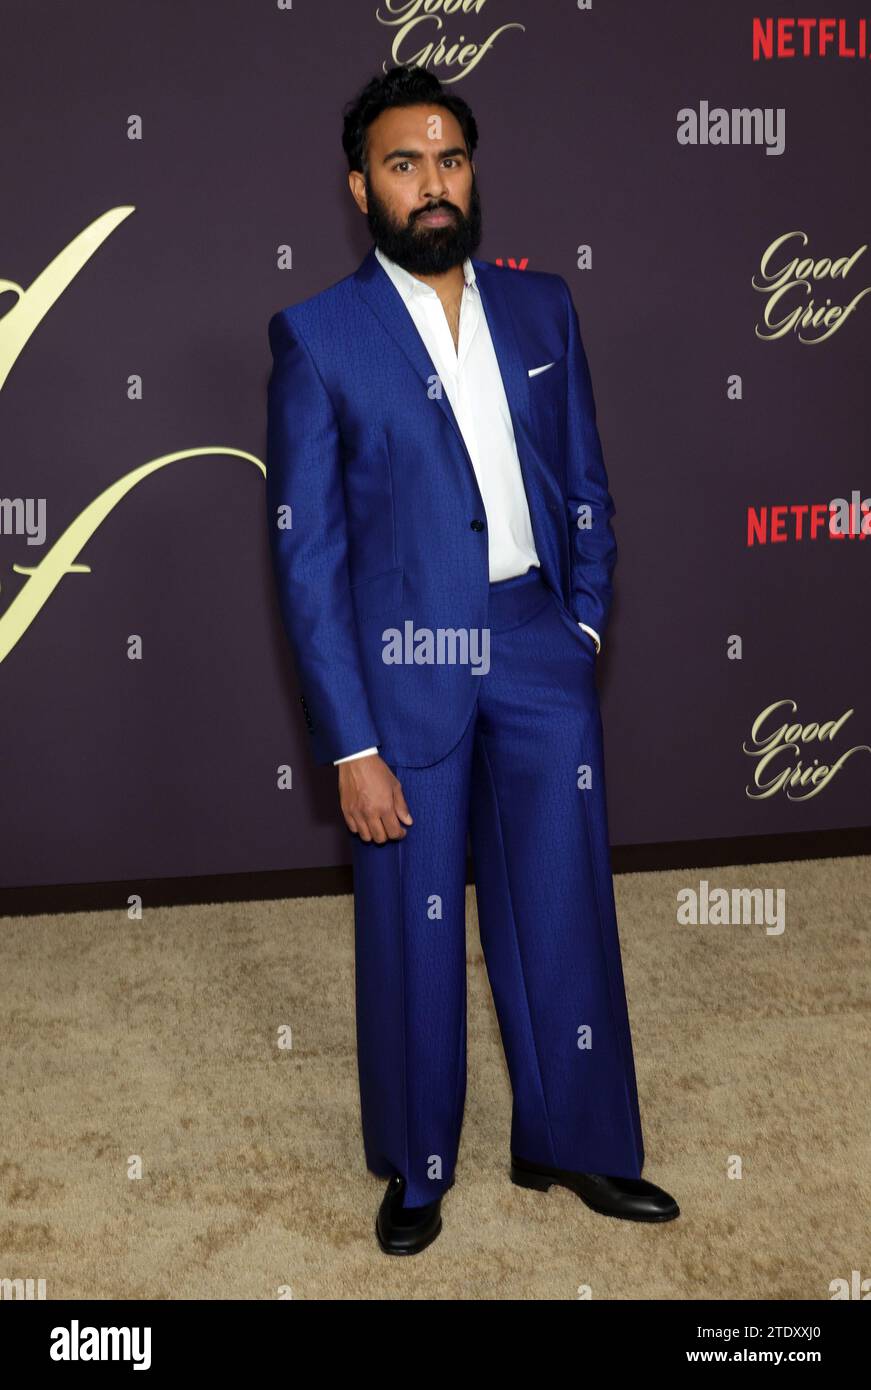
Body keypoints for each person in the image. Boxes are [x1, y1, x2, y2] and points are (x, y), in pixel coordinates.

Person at [266, 64, 679, 1255]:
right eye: (404, 163)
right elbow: (308, 559)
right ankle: (417, 1164)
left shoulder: (543, 306)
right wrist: (349, 738)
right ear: (360, 187)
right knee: (412, 921)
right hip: (402, 666)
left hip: (540, 644)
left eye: (449, 160)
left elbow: (587, 481)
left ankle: (575, 1140)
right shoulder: (318, 336)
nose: (432, 183)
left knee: (564, 908)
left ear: (472, 171)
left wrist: (584, 620)